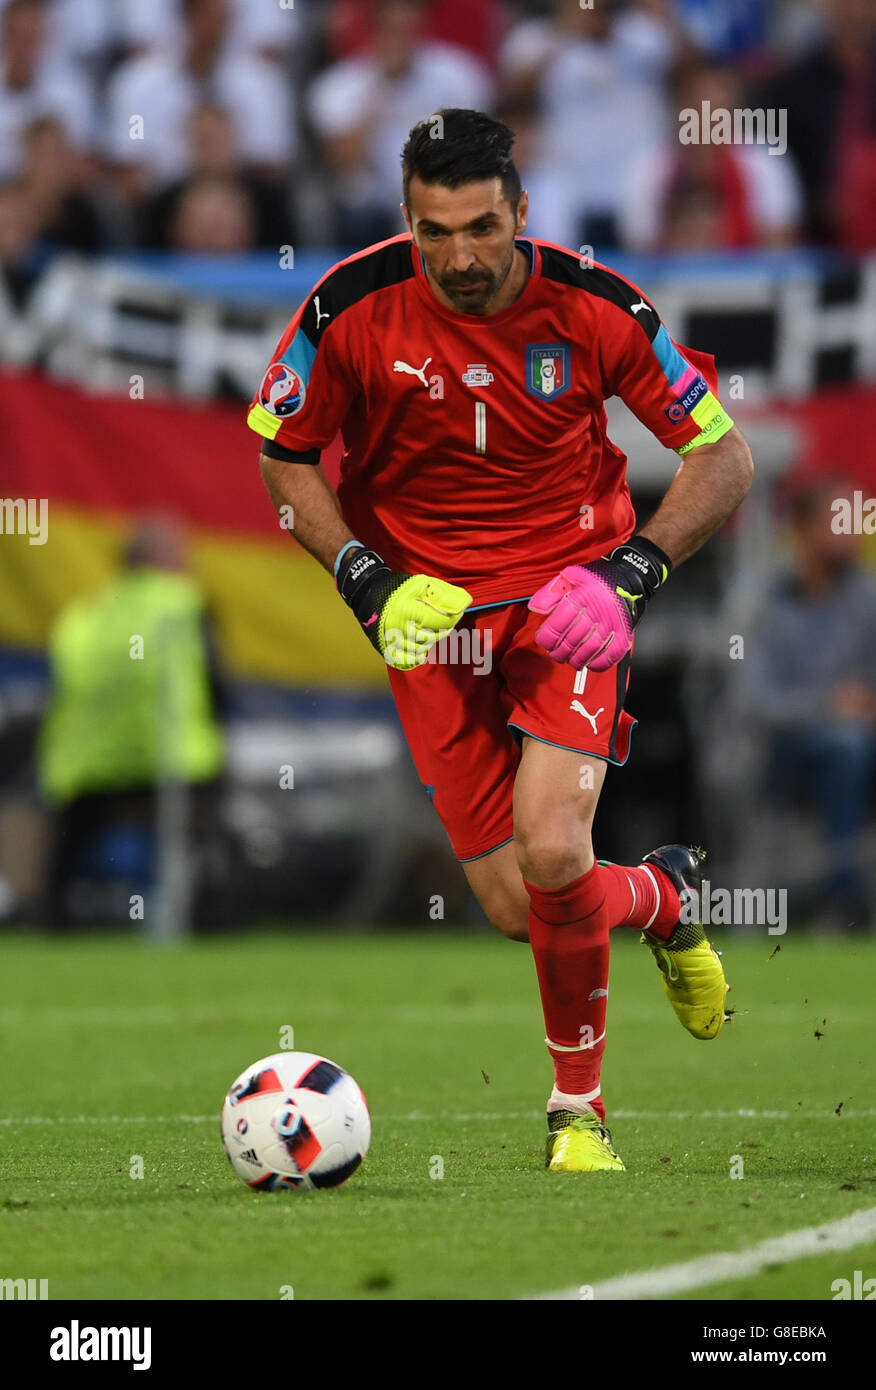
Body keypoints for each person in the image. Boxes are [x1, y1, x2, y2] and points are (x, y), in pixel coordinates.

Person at [248, 108, 754, 1174]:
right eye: (436, 232)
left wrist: (630, 577)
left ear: (522, 211)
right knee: (522, 906)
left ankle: (580, 1114)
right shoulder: (348, 305)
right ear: (407, 219)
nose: (461, 257)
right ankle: (660, 896)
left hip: (568, 605)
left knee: (557, 849)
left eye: (482, 226)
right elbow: (285, 458)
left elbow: (723, 458)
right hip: (428, 623)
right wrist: (363, 578)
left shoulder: (596, 304)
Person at [38, 515, 227, 927]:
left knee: (66, 858)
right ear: (160, 559)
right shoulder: (185, 602)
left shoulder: (84, 615)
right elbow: (215, 685)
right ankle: (211, 917)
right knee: (210, 837)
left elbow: (63, 689)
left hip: (87, 768)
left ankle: (52, 922)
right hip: (173, 761)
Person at [742, 480, 876, 928]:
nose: (853, 532)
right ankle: (843, 907)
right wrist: (829, 704)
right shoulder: (763, 603)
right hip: (781, 751)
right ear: (800, 529)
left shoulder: (868, 599)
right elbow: (757, 702)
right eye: (839, 521)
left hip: (863, 743)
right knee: (845, 747)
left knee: (852, 746)